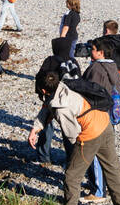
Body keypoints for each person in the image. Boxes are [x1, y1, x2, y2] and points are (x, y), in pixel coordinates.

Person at [28, 71, 120, 205]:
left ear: (43, 90)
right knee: (112, 168)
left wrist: (76, 151)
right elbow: (48, 106)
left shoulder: (61, 108)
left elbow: (72, 134)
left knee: (72, 176)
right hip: (104, 123)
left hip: (90, 134)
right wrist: (36, 128)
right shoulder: (63, 85)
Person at [80, 39, 120, 204]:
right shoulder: (113, 66)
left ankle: (98, 190)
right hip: (110, 113)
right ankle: (104, 186)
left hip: (97, 114)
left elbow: (88, 90)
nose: (91, 52)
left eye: (93, 49)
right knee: (107, 153)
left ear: (100, 52)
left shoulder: (97, 68)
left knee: (95, 154)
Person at [32, 37, 82, 166]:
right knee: (68, 131)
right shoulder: (73, 61)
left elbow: (40, 78)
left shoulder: (51, 60)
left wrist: (41, 95)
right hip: (70, 101)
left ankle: (44, 156)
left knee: (46, 127)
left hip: (51, 99)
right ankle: (71, 159)